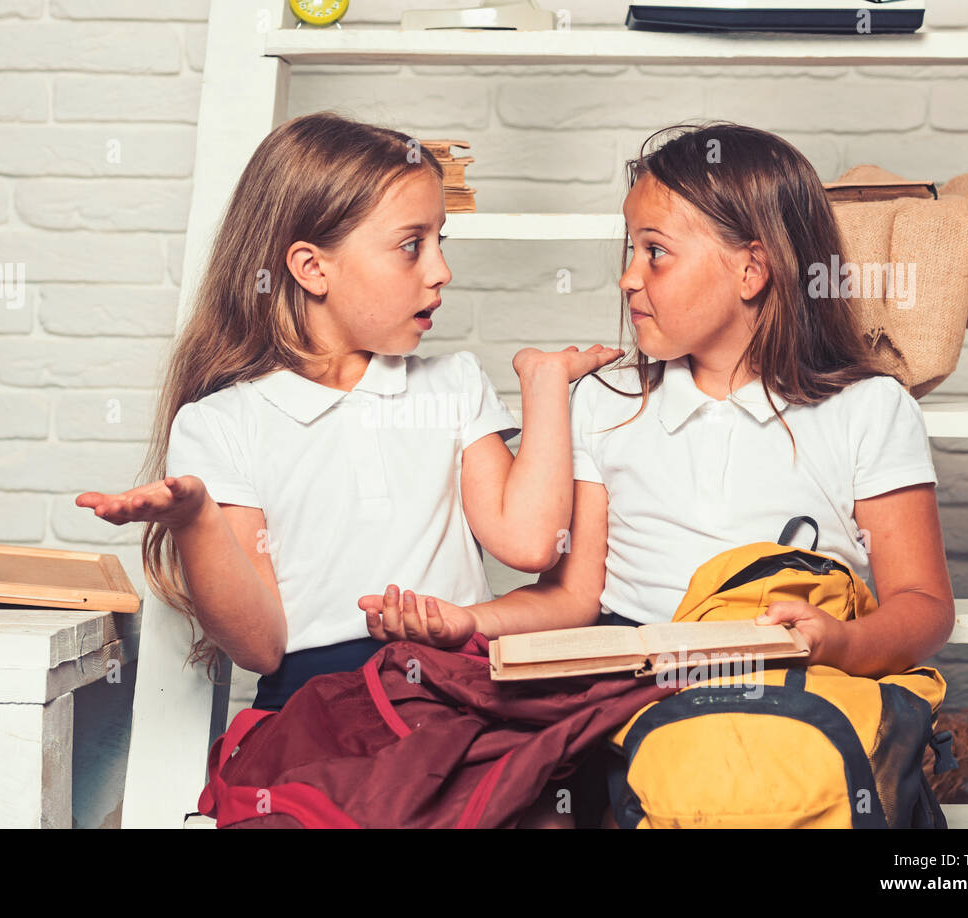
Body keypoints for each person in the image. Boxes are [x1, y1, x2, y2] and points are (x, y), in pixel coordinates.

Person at [360, 121, 957, 828]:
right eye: (631, 249)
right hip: (640, 703)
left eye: (655, 253)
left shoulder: (867, 409)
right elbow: (573, 596)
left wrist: (842, 641)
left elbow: (923, 604)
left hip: (794, 691)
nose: (628, 277)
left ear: (751, 269)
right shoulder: (606, 404)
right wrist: (467, 622)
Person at [75, 111, 622, 717]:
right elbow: (260, 646)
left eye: (442, 241)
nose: (441, 270)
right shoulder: (220, 424)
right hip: (317, 709)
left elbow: (529, 544)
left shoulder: (454, 385)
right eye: (412, 246)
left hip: (461, 690)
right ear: (313, 268)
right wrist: (196, 519)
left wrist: (546, 387)